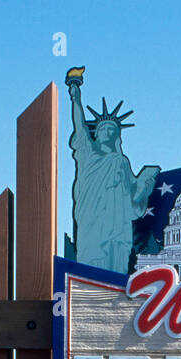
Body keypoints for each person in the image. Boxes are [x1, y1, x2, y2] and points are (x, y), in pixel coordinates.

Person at [67, 69, 158, 274]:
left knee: (116, 264)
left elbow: (133, 201)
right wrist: (76, 99)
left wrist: (145, 186)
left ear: (117, 135)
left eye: (112, 129)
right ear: (97, 133)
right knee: (91, 260)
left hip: (117, 222)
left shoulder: (121, 161)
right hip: (93, 216)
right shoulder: (88, 154)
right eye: (103, 129)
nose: (108, 132)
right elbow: (80, 128)